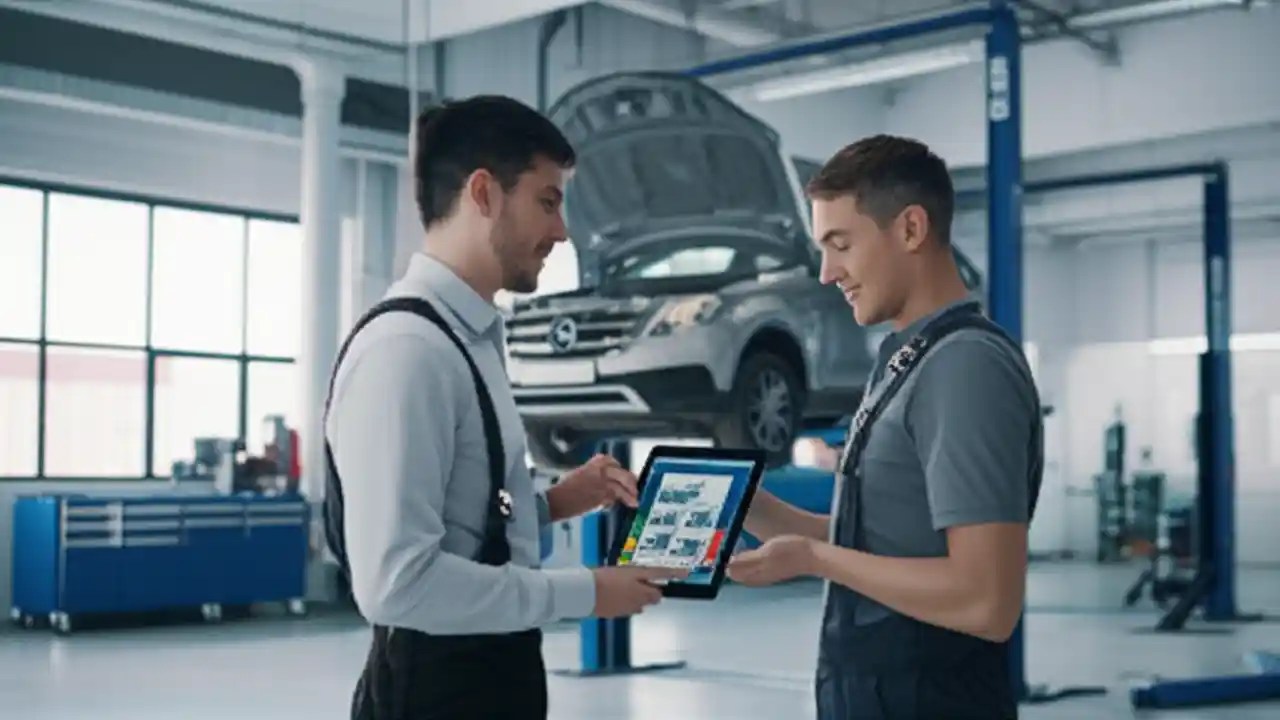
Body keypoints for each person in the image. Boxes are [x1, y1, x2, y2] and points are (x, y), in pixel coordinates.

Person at [324, 95, 684, 720]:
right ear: (484, 193)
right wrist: (585, 592)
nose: (562, 231)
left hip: (490, 676)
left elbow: (462, 520)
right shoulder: (408, 351)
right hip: (434, 694)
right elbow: (398, 584)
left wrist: (554, 503)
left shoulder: (466, 338)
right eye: (547, 201)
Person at [728, 135, 1042, 719]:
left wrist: (813, 559)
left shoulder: (965, 367)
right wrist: (741, 503)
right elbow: (872, 542)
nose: (827, 273)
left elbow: (986, 600)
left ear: (911, 229)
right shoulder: (905, 360)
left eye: (841, 244)